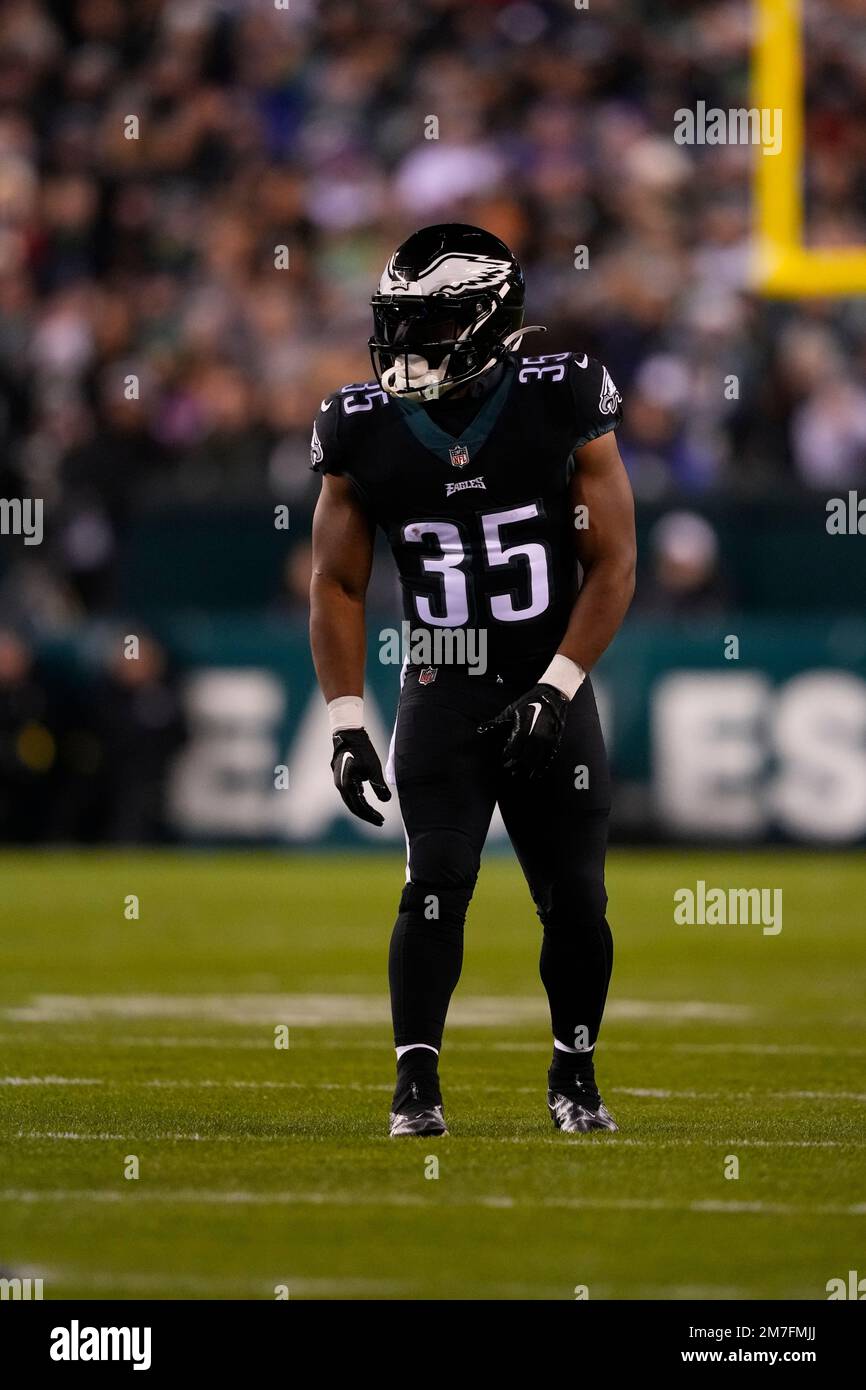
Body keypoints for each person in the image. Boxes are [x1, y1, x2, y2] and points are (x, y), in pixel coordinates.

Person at [309, 224, 636, 1137]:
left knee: (575, 897)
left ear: (488, 321)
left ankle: (575, 1076)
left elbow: (613, 565)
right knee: (436, 879)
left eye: (429, 322)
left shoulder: (562, 396)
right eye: (397, 321)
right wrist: (345, 720)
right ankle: (417, 1086)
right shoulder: (360, 425)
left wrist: (557, 686)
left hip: (547, 681)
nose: (403, 343)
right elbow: (336, 582)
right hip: (444, 682)